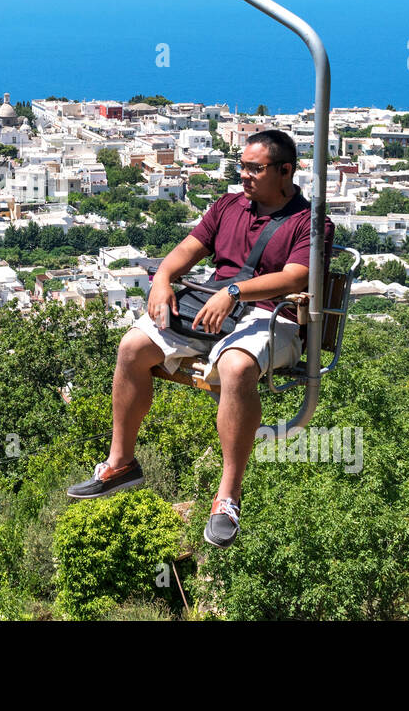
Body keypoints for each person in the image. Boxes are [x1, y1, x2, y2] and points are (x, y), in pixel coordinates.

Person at [66, 129, 334, 549]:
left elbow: (296, 277)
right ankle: (121, 462)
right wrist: (163, 280)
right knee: (132, 347)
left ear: (285, 171)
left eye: (255, 168)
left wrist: (234, 293)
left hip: (273, 315)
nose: (244, 176)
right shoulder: (228, 206)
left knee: (236, 365)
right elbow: (187, 249)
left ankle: (227, 496)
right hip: (213, 307)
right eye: (241, 166)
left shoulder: (309, 223)